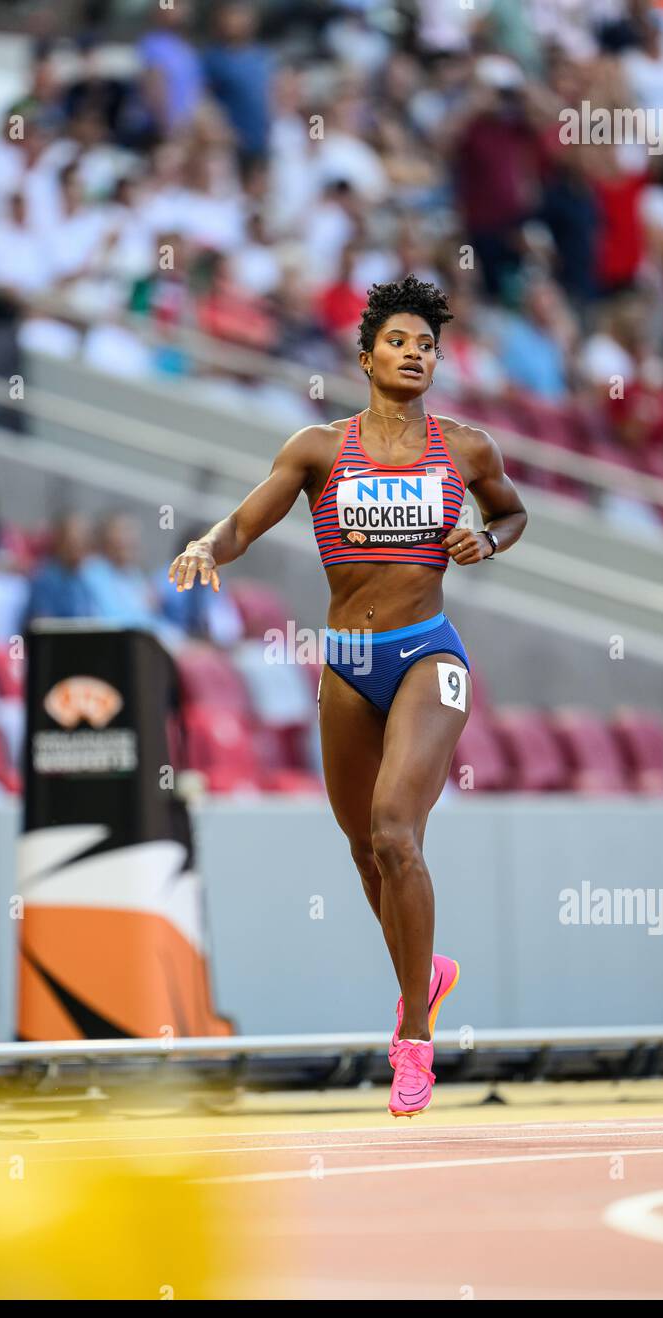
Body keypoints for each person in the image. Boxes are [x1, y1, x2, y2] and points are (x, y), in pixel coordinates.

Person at [169, 276, 527, 1116]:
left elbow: (511, 513)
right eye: (399, 341)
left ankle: (413, 1037)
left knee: (398, 831)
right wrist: (207, 544)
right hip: (345, 665)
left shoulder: (467, 449)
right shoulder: (317, 450)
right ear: (365, 357)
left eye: (428, 345)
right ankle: (426, 969)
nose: (414, 353)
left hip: (427, 657)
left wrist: (487, 538)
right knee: (368, 851)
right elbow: (246, 522)